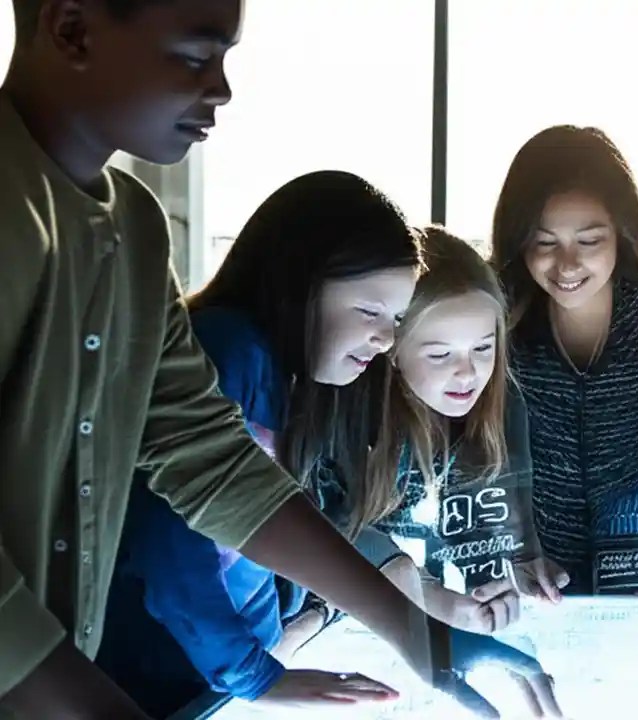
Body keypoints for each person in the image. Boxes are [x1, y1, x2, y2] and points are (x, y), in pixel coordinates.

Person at [0, 2, 501, 718]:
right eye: (194, 56)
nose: (222, 89)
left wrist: (414, 632)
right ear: (71, 29)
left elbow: (212, 461)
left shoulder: (134, 228)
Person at [95, 171, 423, 714]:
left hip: (213, 677)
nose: (387, 339)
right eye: (369, 312)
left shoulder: (288, 379)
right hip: (160, 678)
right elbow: (172, 544)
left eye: (396, 319)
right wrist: (254, 675)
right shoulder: (229, 349)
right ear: (299, 282)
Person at [489, 125, 638, 600]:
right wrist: (512, 549)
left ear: (621, 233)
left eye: (589, 241)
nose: (567, 265)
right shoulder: (496, 308)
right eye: (544, 243)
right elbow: (476, 443)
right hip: (533, 576)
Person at [370, 226, 567, 718]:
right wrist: (434, 603)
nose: (468, 372)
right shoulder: (360, 420)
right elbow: (337, 536)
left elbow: (504, 530)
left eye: (483, 348)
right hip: (368, 636)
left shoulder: (504, 407)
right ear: (392, 346)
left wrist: (520, 570)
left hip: (459, 629)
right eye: (440, 354)